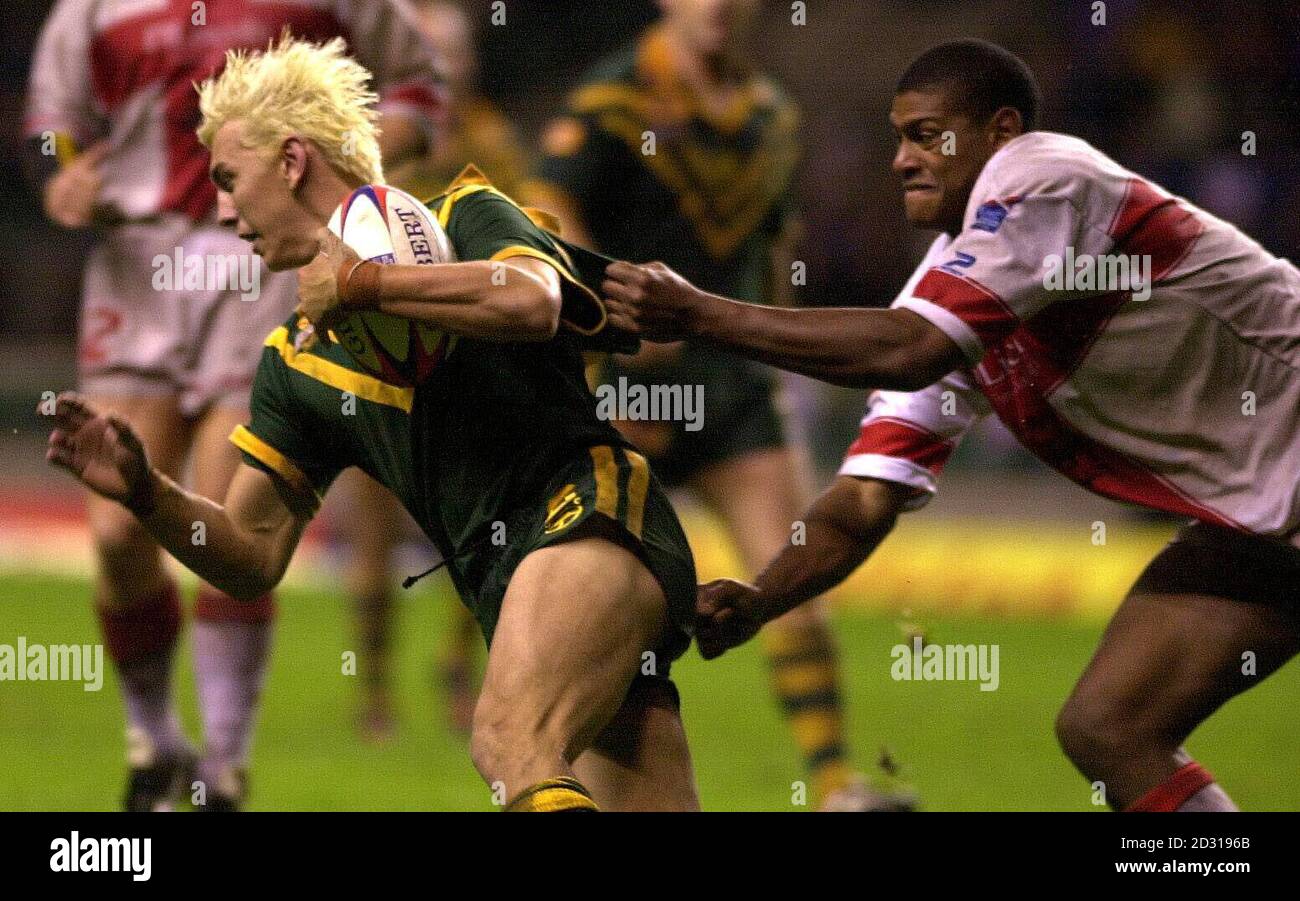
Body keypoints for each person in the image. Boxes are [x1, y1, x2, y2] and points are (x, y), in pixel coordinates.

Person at [603, 38, 1300, 812]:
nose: (901, 158)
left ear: (1002, 131)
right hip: (1263, 521)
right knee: (1111, 726)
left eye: (927, 133)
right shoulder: (958, 287)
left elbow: (907, 351)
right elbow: (867, 497)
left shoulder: (1047, 178)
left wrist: (701, 313)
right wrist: (763, 597)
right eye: (898, 136)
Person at [44, 36, 700, 811]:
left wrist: (364, 283)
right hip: (519, 581)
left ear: (290, 161)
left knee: (509, 738)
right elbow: (252, 554)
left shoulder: (466, 212)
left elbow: (533, 302)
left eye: (228, 178)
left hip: (592, 514)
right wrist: (147, 491)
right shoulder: (294, 359)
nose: (222, 210)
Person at [24, 0, 443, 810]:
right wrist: (58, 176)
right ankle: (155, 740)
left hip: (261, 266)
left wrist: (338, 165)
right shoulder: (92, 9)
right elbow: (48, 126)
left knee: (224, 519)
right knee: (115, 531)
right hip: (135, 266)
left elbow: (420, 90)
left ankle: (224, 765)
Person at [527, 0, 903, 811]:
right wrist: (603, 300)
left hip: (733, 389)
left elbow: (777, 239)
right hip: (628, 387)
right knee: (588, 591)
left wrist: (776, 345)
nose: (721, 6)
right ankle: (538, 754)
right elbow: (543, 207)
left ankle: (835, 782)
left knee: (790, 574)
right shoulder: (610, 101)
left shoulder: (774, 115)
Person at [348, 0, 537, 741]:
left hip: (464, 357)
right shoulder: (368, 139)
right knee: (371, 536)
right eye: (437, 55)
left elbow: (522, 223)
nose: (453, 69)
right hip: (378, 358)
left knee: (483, 528)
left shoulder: (491, 137)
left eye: (461, 55)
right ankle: (373, 689)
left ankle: (458, 667)